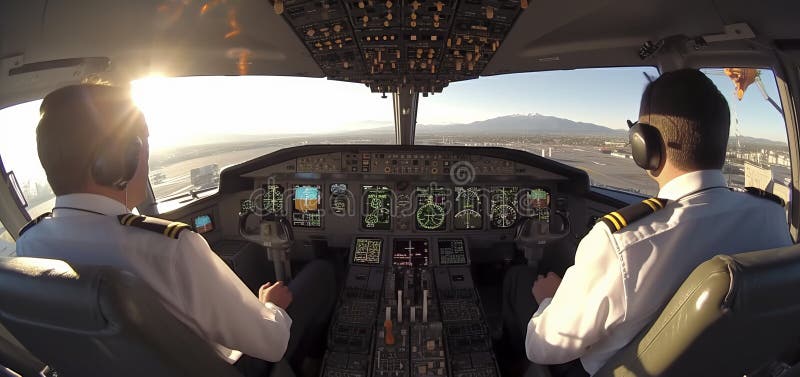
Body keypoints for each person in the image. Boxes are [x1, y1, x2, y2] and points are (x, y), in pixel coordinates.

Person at [15, 84, 337, 375]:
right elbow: (272, 342)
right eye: (141, 149)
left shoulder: (29, 247)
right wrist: (270, 306)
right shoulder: (170, 248)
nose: (145, 160)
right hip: (227, 368)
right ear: (120, 160)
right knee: (320, 272)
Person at [503, 69, 793, 376]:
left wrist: (548, 299)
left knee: (520, 280)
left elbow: (544, 347)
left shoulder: (622, 242)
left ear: (645, 146)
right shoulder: (772, 215)